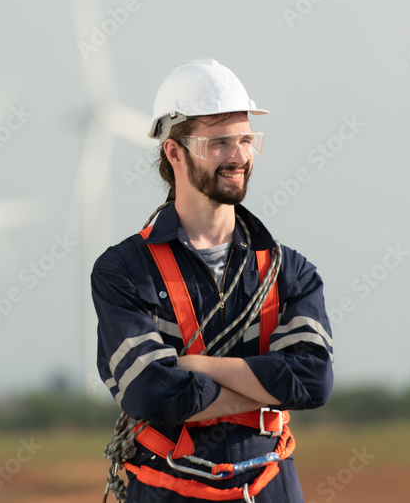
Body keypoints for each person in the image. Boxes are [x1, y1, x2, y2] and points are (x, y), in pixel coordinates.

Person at [92, 59, 333, 502]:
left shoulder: (289, 270)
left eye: (246, 140)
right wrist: (266, 389)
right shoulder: (123, 271)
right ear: (175, 153)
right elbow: (150, 392)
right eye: (219, 143)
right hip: (169, 489)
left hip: (269, 485)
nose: (239, 156)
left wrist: (192, 365)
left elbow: (313, 381)